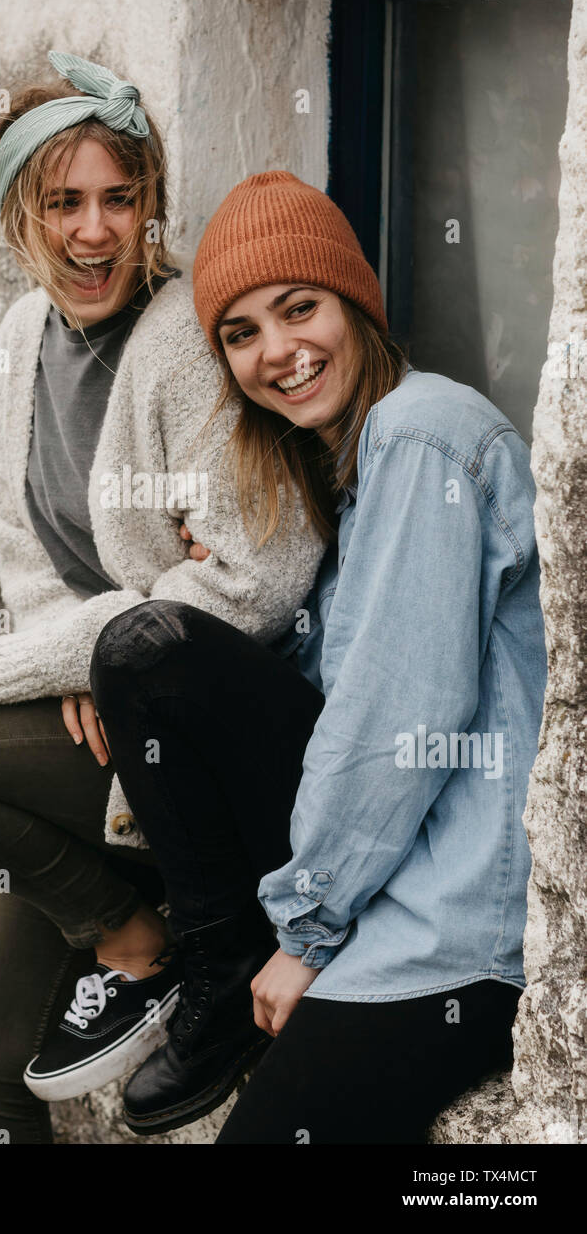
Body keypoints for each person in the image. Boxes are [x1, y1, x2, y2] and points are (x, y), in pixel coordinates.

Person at [0, 66, 326, 1143]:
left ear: (147, 199)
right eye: (63, 203)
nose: (95, 230)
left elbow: (255, 577)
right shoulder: (22, 336)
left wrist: (56, 661)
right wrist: (65, 655)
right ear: (19, 213)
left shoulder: (183, 344)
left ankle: (131, 938)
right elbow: (16, 536)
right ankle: (118, 926)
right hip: (92, 727)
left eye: (119, 197)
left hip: (188, 748)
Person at [90, 170, 548, 1142]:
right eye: (241, 333)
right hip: (389, 900)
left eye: (299, 308)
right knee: (145, 652)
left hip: (450, 934)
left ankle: (227, 975)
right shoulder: (351, 471)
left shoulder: (423, 436)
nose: (278, 352)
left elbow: (398, 718)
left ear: (356, 302)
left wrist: (303, 934)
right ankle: (224, 964)